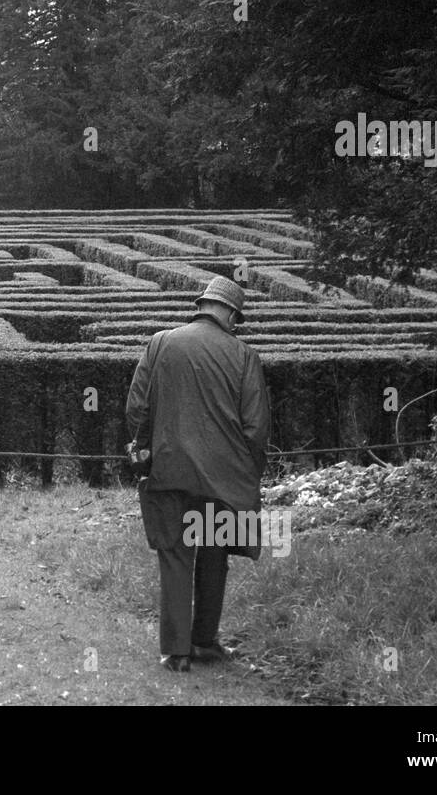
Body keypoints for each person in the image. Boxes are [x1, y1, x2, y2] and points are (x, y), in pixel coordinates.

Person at [125, 275, 270, 672]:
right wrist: (248, 474)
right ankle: (204, 642)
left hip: (169, 471)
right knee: (213, 555)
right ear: (228, 311)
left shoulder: (160, 343)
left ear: (203, 304)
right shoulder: (244, 356)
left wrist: (142, 452)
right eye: (236, 316)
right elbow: (255, 429)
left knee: (175, 557)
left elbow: (137, 407)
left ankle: (177, 652)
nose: (236, 323)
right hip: (223, 479)